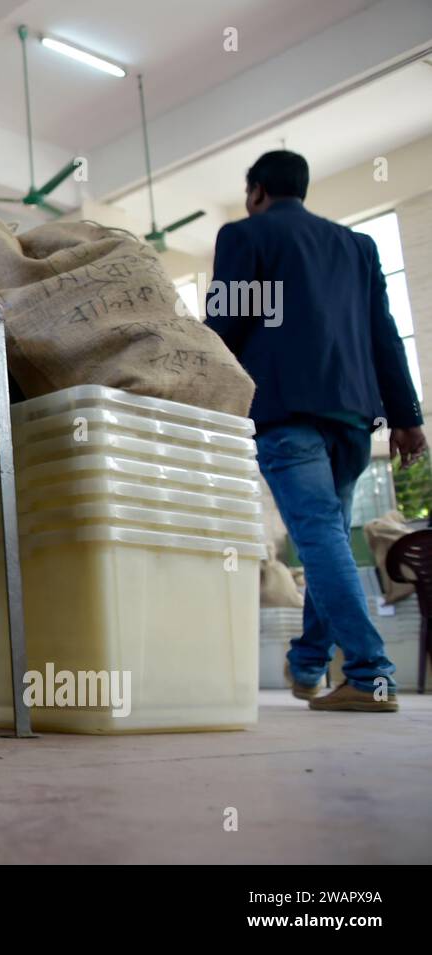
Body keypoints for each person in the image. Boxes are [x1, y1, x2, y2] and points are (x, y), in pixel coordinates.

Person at [206, 149, 424, 713]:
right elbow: (384, 334)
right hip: (354, 419)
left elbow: (226, 324)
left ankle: (371, 673)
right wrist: (407, 416)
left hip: (286, 413)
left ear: (256, 191)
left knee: (319, 537)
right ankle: (307, 664)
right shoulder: (357, 247)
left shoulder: (246, 235)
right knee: (324, 535)